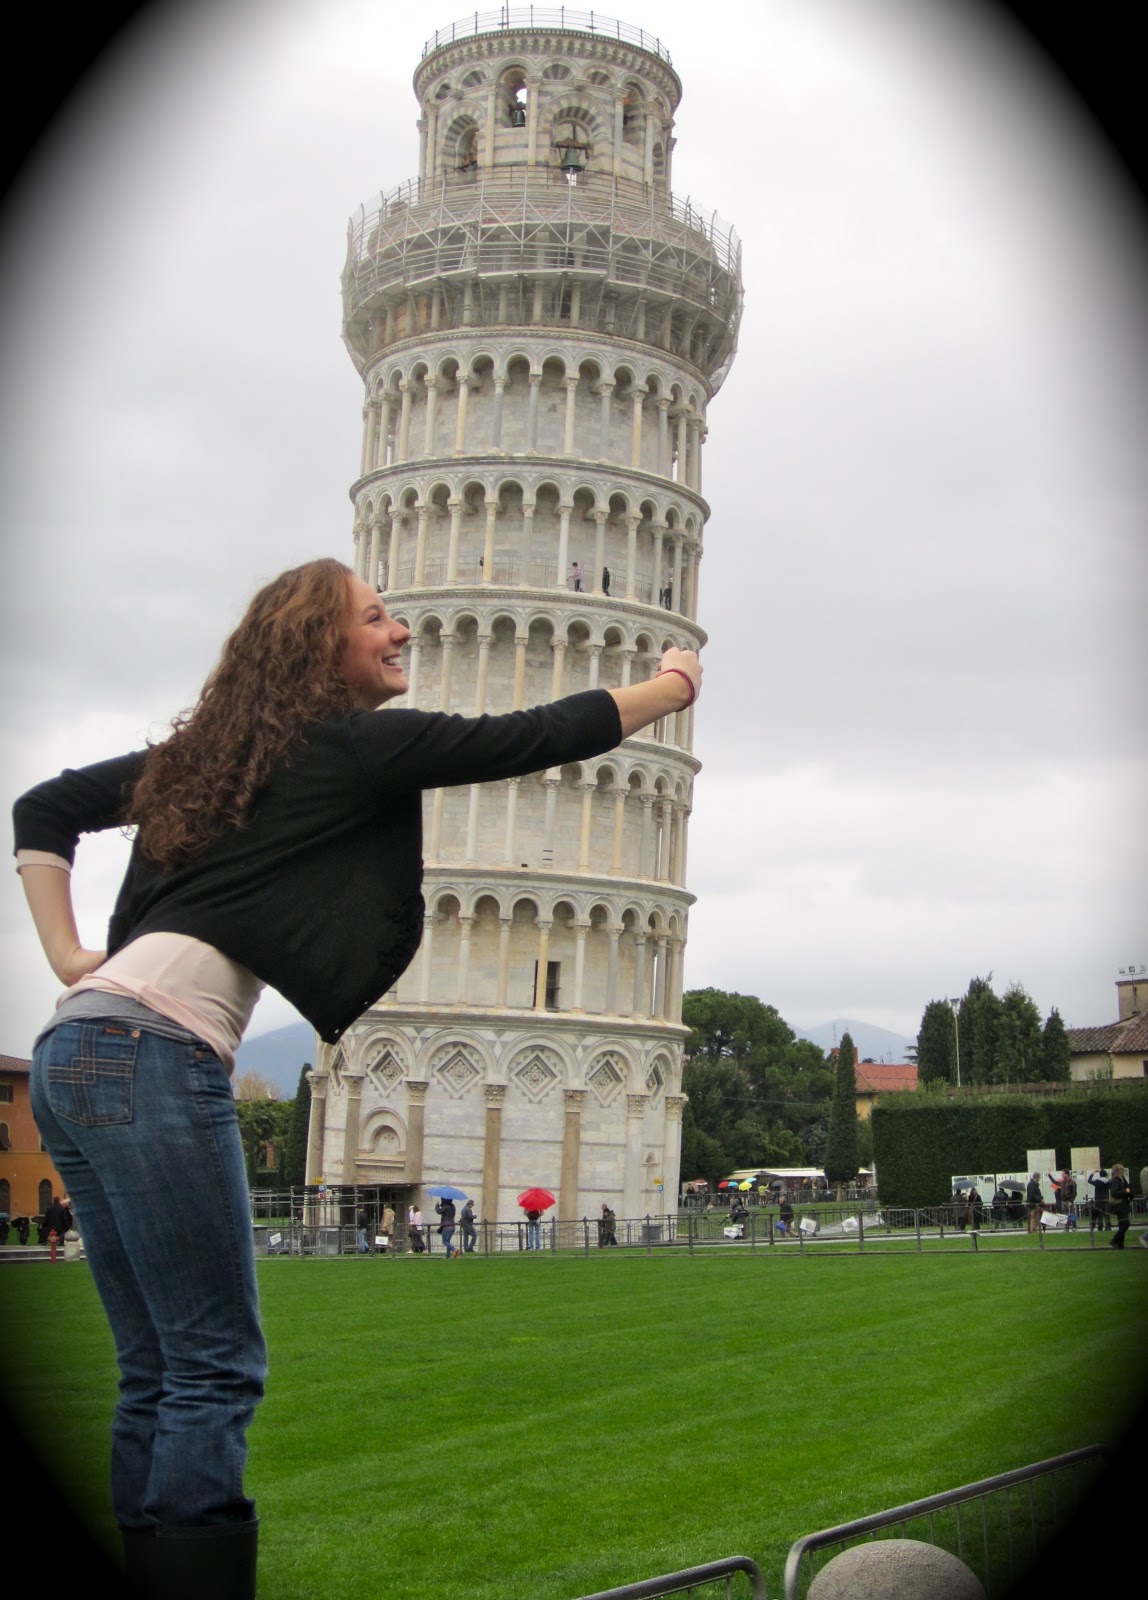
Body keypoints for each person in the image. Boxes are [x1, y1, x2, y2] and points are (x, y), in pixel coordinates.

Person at [13, 556, 702, 1599]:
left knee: (158, 1369)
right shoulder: (354, 746)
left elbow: (42, 805)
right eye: (375, 618)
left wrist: (68, 957)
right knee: (213, 1367)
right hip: (155, 1050)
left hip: (77, 1048)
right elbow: (530, 735)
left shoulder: (207, 757)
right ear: (314, 645)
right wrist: (672, 688)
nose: (399, 632)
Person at [1108, 1164, 1132, 1249]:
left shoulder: (1120, 1180)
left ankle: (1120, 1244)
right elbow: (1114, 1193)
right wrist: (1125, 1191)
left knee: (1122, 1224)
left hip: (1122, 1206)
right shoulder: (1115, 1181)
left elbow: (1128, 1187)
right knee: (1126, 1224)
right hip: (1119, 1206)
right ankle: (1114, 1240)